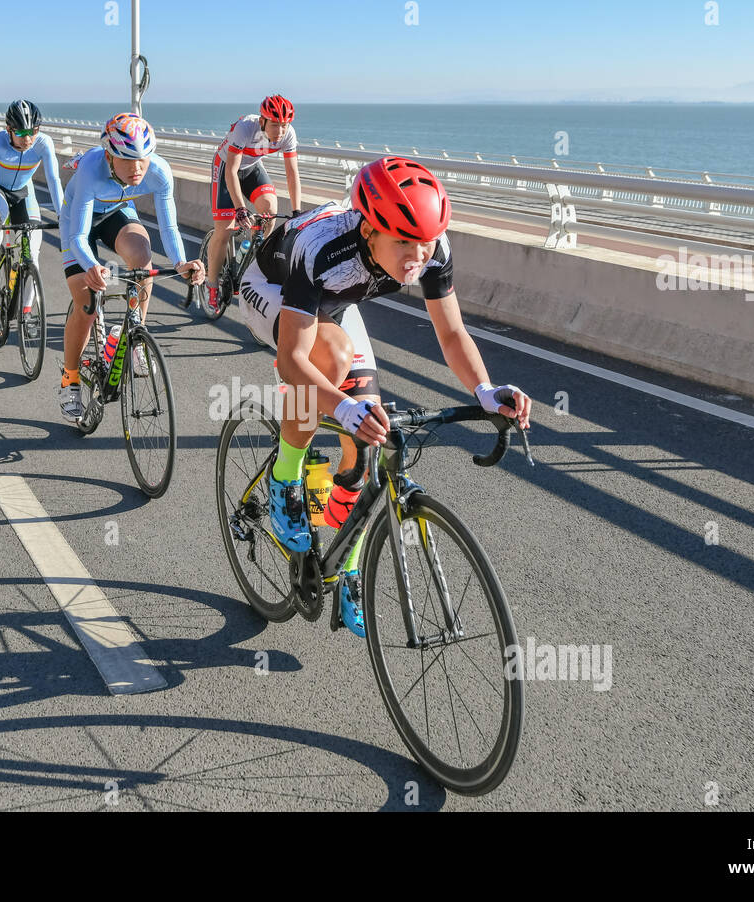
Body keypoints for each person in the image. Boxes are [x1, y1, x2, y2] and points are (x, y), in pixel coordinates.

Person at [238, 155, 532, 636]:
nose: (418, 255)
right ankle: (284, 477)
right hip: (272, 285)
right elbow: (294, 360)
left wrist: (485, 389)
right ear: (369, 229)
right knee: (328, 359)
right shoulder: (325, 248)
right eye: (403, 242)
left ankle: (345, 561)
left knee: (367, 443)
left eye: (425, 241)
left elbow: (452, 333)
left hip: (336, 300)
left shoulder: (432, 249)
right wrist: (341, 405)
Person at [56, 113, 203, 422]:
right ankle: (70, 378)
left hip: (116, 212)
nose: (138, 168)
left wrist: (181, 262)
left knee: (142, 257)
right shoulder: (90, 171)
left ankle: (134, 332)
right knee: (87, 302)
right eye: (128, 159)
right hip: (78, 222)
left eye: (143, 159)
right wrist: (94, 267)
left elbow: (169, 228)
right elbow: (79, 238)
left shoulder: (159, 172)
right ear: (109, 156)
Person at [204, 95, 301, 313]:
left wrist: (297, 211)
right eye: (275, 125)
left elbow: (292, 174)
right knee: (225, 229)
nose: (280, 132)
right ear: (262, 121)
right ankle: (211, 285)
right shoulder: (245, 128)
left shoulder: (288, 135)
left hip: (252, 168)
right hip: (226, 169)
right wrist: (240, 207)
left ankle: (255, 254)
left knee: (270, 211)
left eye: (284, 125)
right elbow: (230, 171)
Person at [0, 99, 64, 306]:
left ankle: (27, 315)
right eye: (22, 133)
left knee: (32, 257)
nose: (28, 139)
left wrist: (63, 214)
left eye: (33, 131)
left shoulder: (43, 142)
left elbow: (54, 179)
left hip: (25, 192)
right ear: (9, 130)